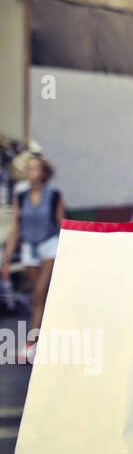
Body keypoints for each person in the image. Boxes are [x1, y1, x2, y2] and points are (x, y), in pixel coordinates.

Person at [3, 153, 64, 361]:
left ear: (44, 173)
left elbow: (62, 224)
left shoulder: (54, 194)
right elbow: (16, 228)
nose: (30, 172)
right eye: (28, 168)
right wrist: (7, 258)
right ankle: (46, 339)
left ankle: (31, 342)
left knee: (39, 293)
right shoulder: (20, 195)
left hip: (49, 245)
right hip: (29, 248)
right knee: (40, 298)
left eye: (35, 168)